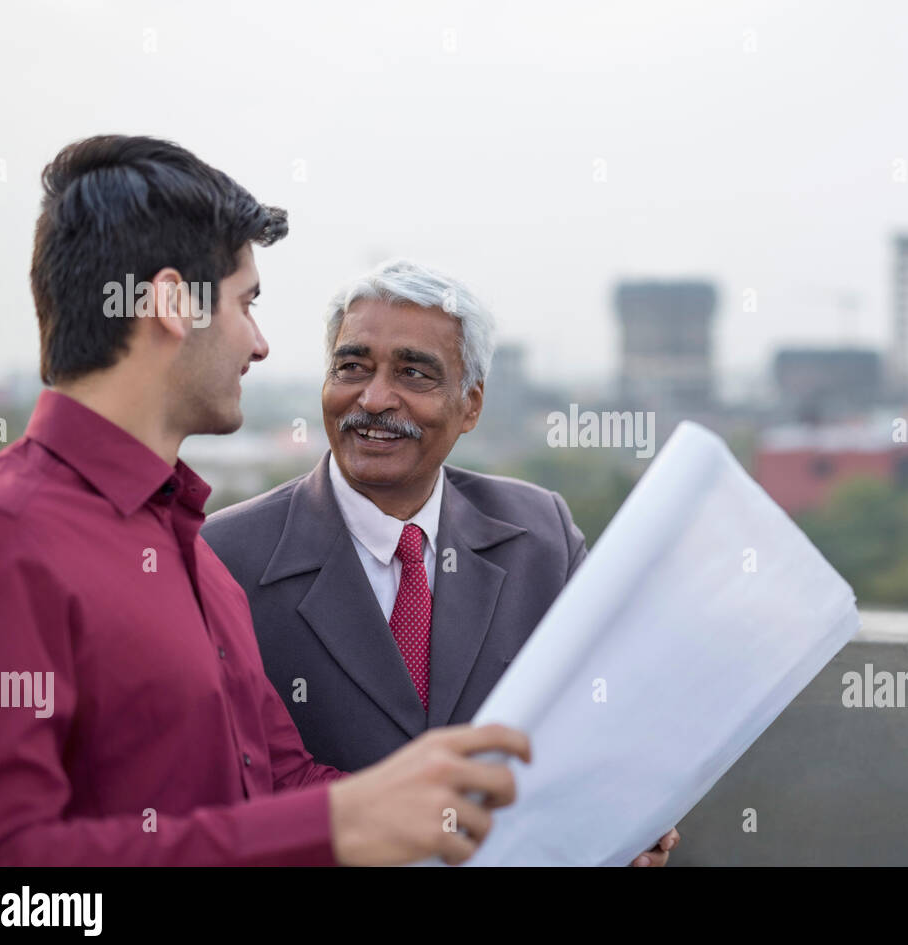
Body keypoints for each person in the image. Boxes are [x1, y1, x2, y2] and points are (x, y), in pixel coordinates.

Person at [0, 135, 528, 867]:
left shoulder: (193, 554)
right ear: (169, 304)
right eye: (244, 303)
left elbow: (277, 786)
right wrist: (336, 827)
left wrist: (499, 823)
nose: (259, 344)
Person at [202, 260, 680, 866]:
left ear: (470, 404)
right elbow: (222, 792)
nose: (374, 399)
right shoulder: (225, 557)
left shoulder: (540, 537)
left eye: (414, 374)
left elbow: (608, 724)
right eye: (352, 367)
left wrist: (626, 818)